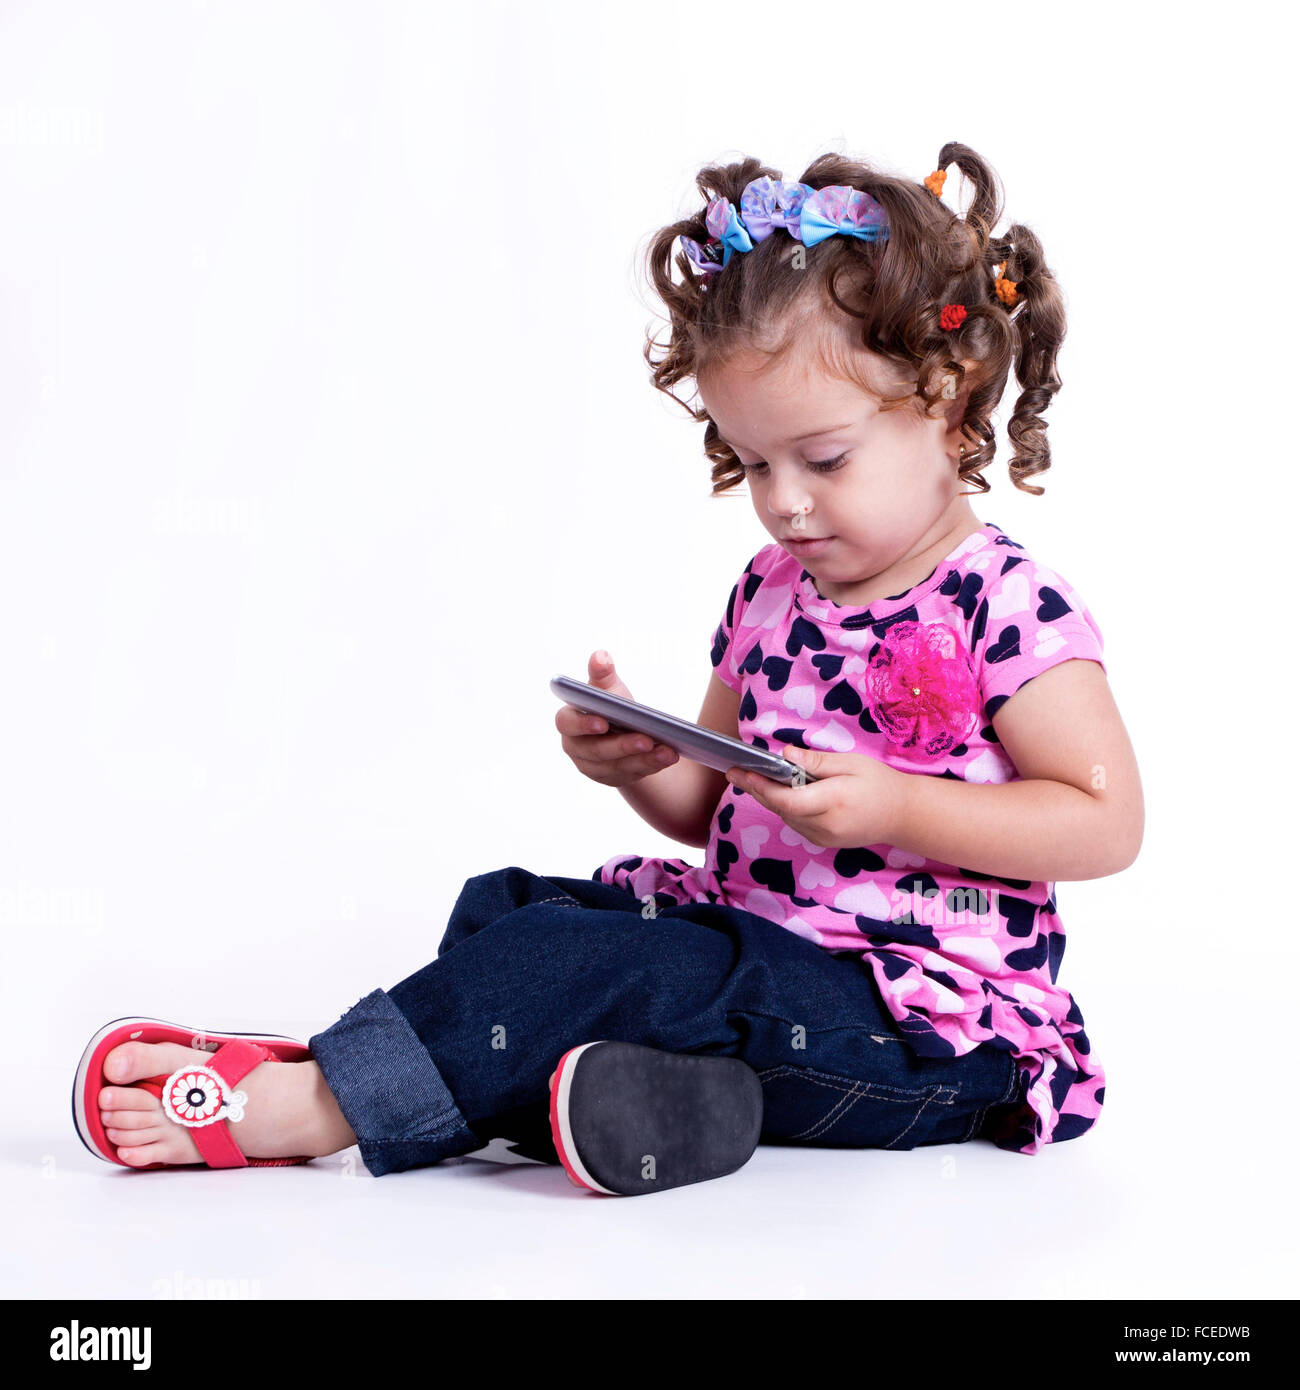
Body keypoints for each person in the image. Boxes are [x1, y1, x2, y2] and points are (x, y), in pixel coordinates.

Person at [74, 140, 1143, 1195]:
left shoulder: (1004, 603)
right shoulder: (774, 588)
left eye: (821, 459)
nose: (784, 501)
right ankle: (647, 1107)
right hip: (760, 975)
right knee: (515, 914)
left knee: (608, 967)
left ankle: (317, 1104)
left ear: (949, 407)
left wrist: (900, 809)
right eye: (753, 462)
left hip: (918, 1035)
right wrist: (640, 758)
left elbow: (1104, 823)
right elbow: (709, 812)